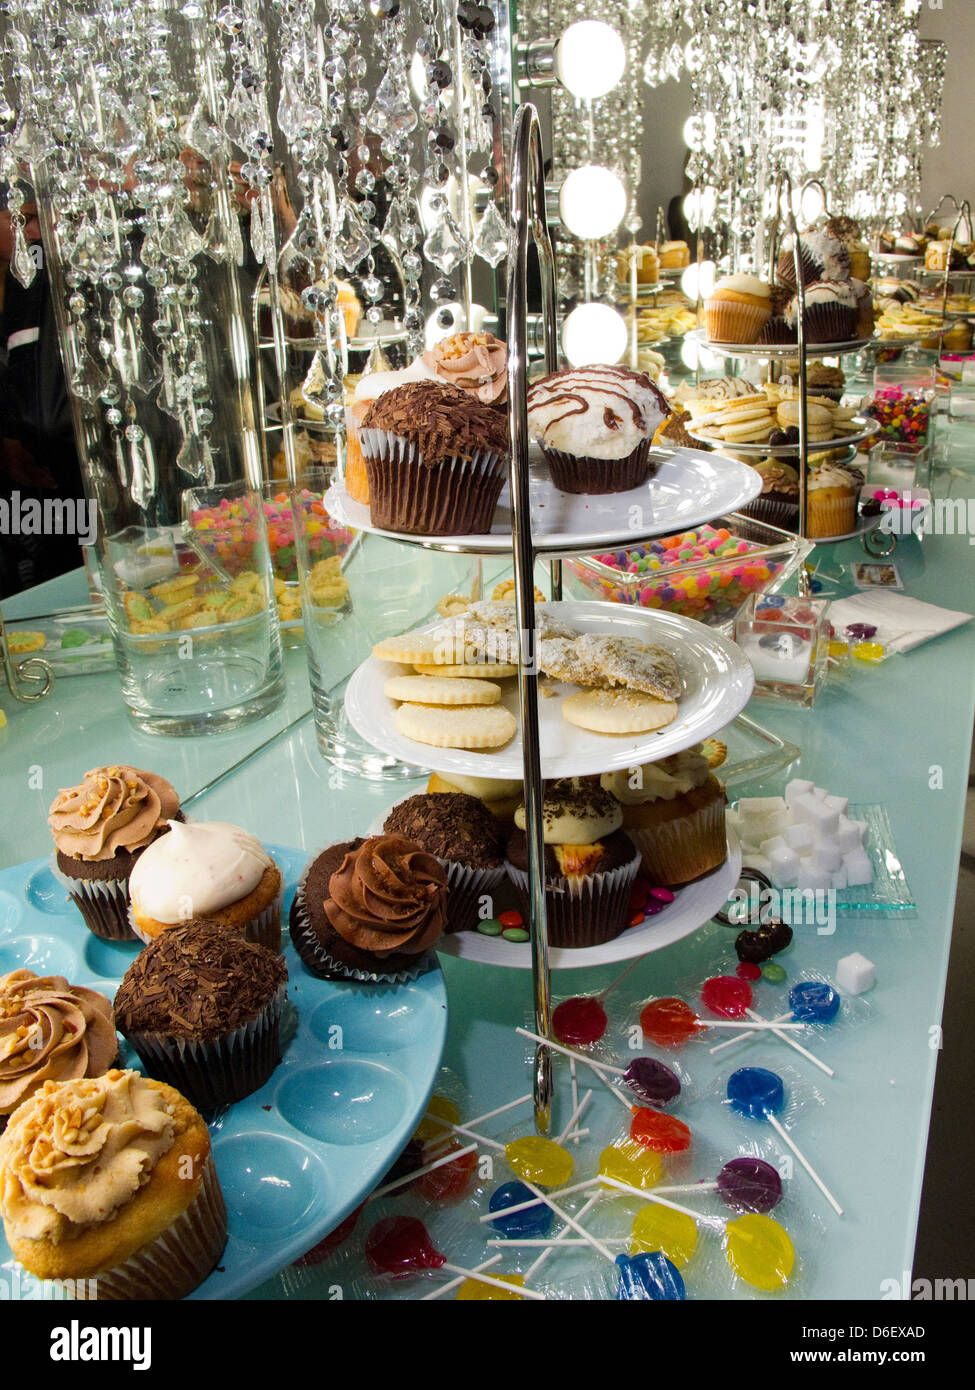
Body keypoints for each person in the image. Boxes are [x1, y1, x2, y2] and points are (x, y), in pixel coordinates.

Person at [0, 189, 85, 596]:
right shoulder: (27, 276)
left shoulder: (34, 275)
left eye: (36, 218)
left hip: (58, 480)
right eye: (19, 219)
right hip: (39, 493)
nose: (33, 233)